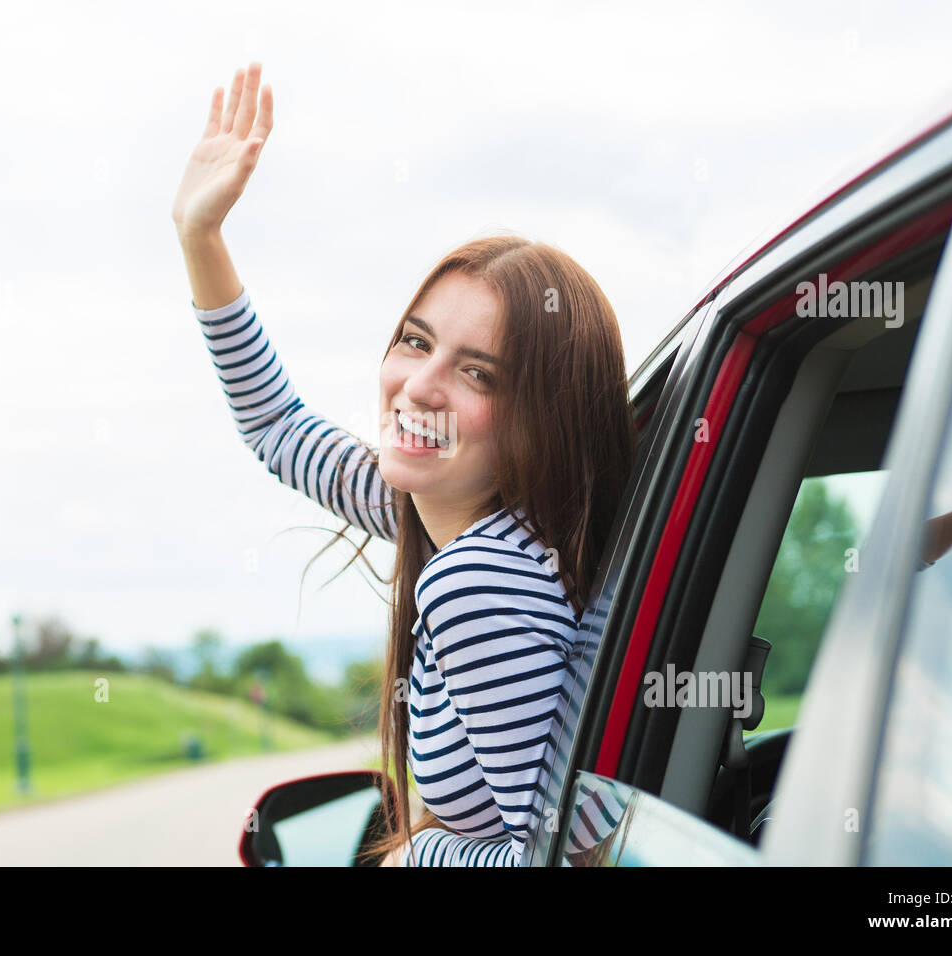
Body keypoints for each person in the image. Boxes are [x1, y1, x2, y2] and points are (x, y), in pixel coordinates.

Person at [173, 62, 639, 865]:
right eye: (417, 342)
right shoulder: (470, 521)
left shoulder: (481, 580)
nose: (417, 386)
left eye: (477, 372)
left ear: (542, 420)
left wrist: (406, 858)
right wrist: (201, 238)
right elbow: (277, 428)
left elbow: (560, 858)